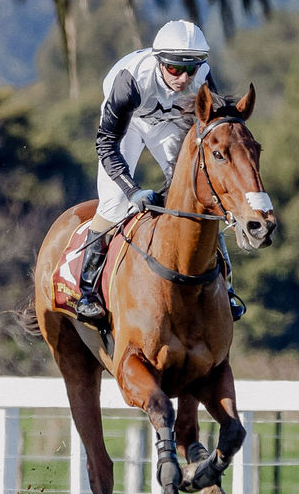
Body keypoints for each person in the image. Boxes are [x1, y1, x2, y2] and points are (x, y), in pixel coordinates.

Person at [74, 19, 246, 325]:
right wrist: (132, 190)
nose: (182, 78)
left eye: (190, 69)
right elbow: (106, 144)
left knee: (197, 194)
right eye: (174, 69)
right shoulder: (130, 80)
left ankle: (226, 286)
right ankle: (87, 292)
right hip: (127, 125)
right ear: (159, 61)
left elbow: (210, 128)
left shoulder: (202, 77)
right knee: (114, 203)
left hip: (167, 123)